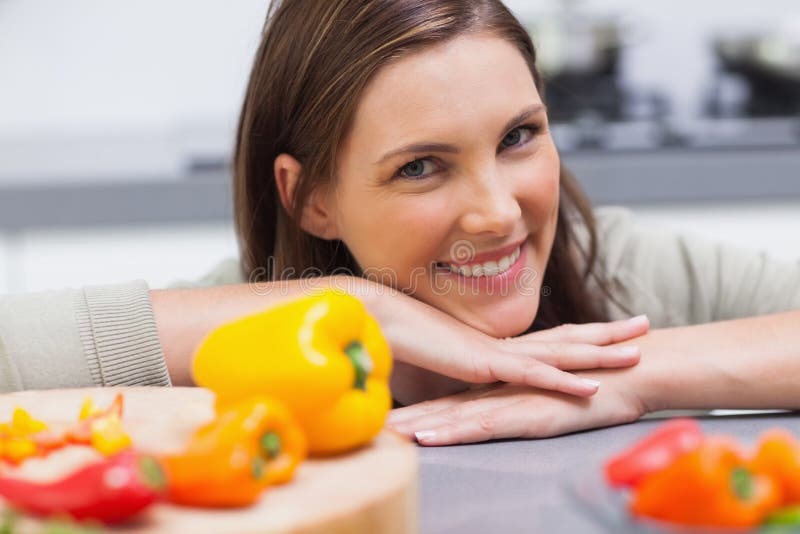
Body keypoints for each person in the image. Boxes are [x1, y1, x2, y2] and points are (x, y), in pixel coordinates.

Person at [1, 0, 798, 447]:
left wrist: (638, 374)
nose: (496, 212)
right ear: (310, 197)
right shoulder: (245, 329)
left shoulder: (624, 273)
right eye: (421, 166)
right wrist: (365, 305)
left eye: (518, 136)